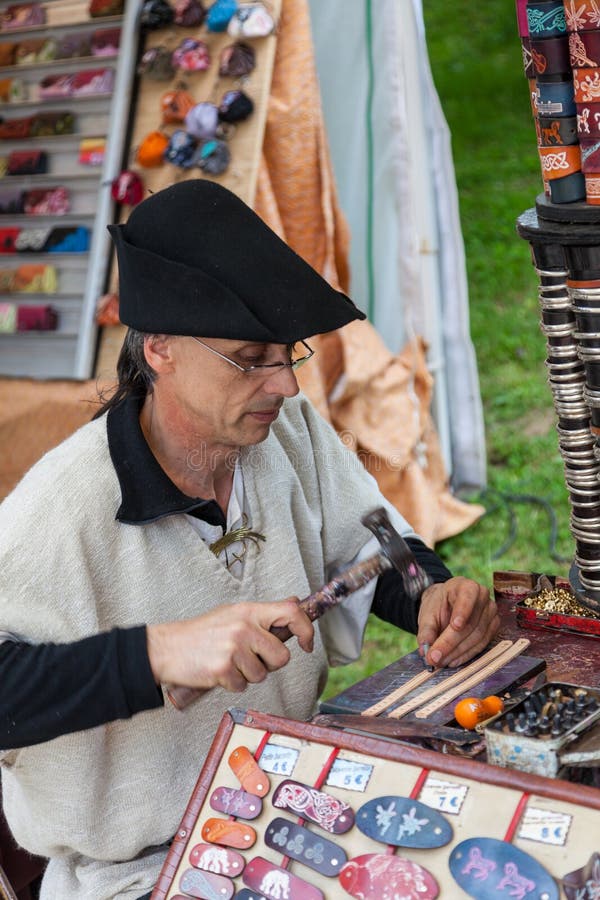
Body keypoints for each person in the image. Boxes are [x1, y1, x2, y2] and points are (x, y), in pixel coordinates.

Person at [0, 180, 498, 899]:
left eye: (286, 354)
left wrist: (431, 592)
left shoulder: (281, 434)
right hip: (142, 873)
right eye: (249, 358)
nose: (285, 388)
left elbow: (373, 545)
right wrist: (156, 654)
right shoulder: (58, 512)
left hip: (290, 813)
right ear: (161, 347)